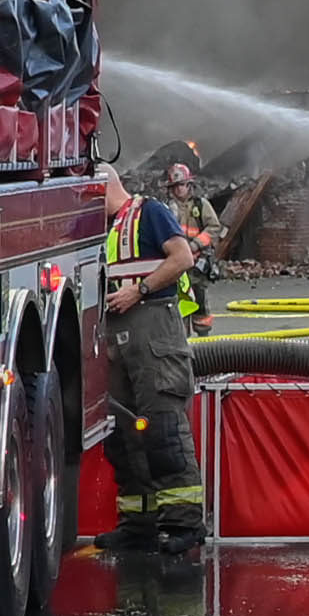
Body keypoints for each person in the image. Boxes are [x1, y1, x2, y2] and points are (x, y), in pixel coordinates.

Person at [96, 165, 207, 550]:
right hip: (115, 337)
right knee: (123, 435)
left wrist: (139, 290)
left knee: (163, 430)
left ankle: (184, 525)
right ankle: (137, 523)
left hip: (154, 329)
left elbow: (182, 258)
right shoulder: (105, 228)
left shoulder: (149, 212)